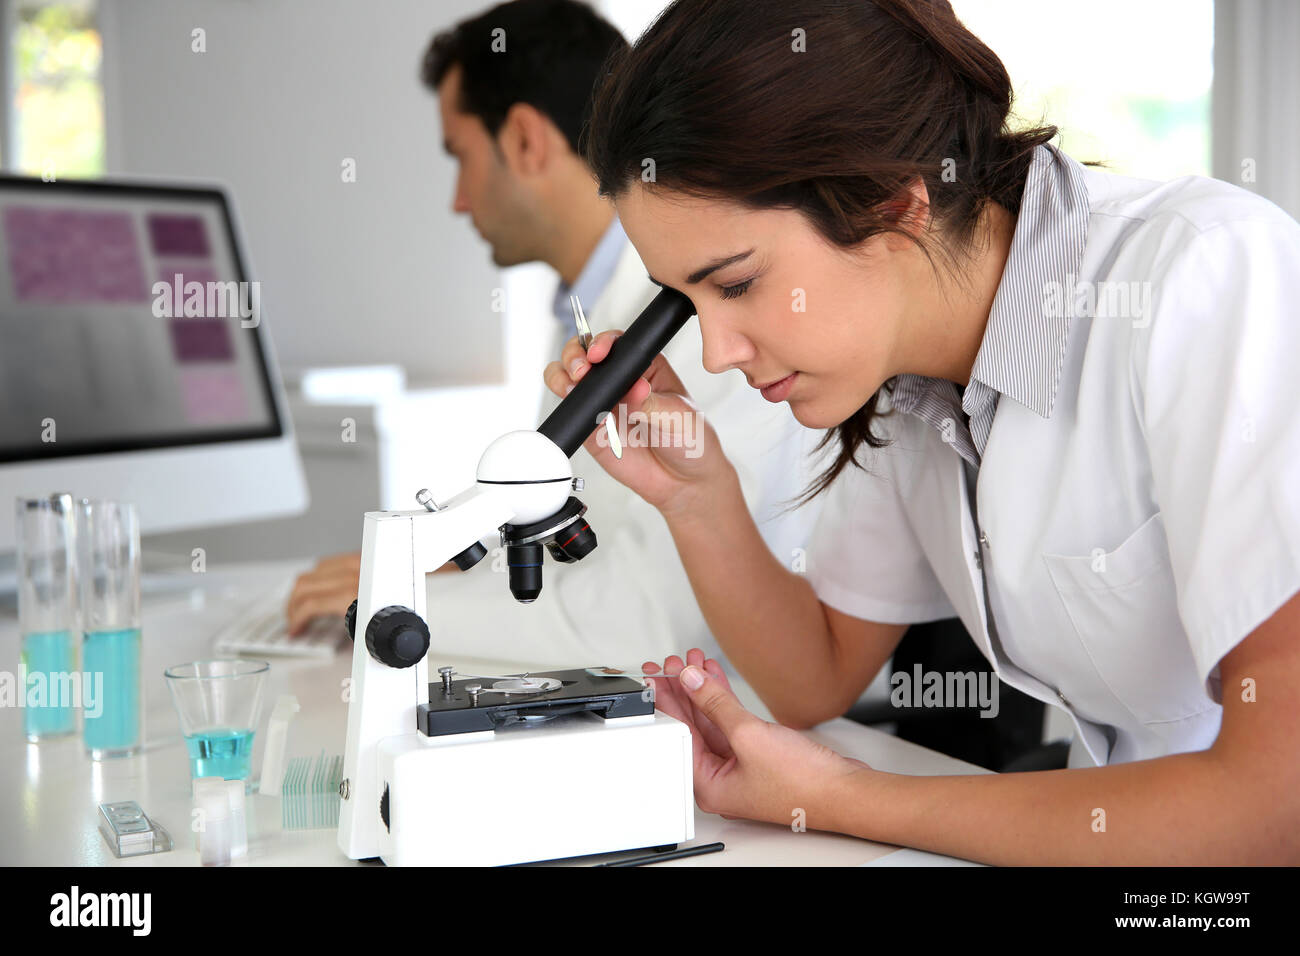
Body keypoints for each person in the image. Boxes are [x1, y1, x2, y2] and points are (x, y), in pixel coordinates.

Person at [543, 0, 1300, 863]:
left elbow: (1275, 803)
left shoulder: (1207, 278)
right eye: (687, 302)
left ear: (894, 206)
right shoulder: (906, 373)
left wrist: (844, 798)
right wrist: (697, 495)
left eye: (739, 284)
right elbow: (813, 674)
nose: (716, 354)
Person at [285, 0, 823, 668]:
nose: (457, 199)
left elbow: (656, 618)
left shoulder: (712, 316)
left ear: (525, 140)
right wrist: (448, 575)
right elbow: (584, 550)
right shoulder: (587, 309)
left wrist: (399, 608)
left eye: (461, 157)